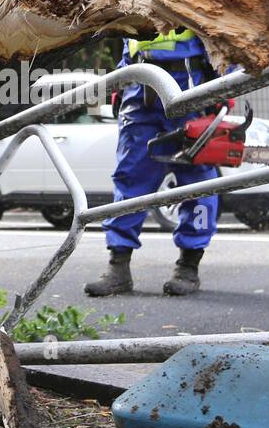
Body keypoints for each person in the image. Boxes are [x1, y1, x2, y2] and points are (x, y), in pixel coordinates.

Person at [85, 30, 221, 298]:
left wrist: (222, 88)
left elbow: (220, 37)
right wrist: (120, 88)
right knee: (130, 179)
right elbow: (129, 47)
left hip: (190, 88)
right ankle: (118, 267)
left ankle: (189, 265)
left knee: (197, 182)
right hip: (141, 93)